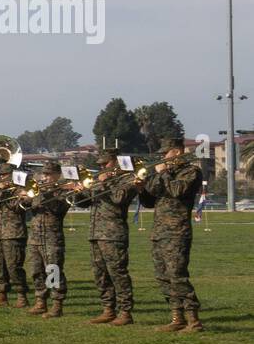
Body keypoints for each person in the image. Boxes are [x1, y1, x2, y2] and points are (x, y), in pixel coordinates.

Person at [136, 137, 204, 333]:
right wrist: (141, 189)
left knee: (177, 276)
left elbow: (177, 190)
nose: (162, 157)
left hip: (177, 232)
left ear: (176, 152)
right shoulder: (165, 172)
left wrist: (164, 172)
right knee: (163, 277)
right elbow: (150, 202)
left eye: (165, 153)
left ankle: (194, 319)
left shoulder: (191, 172)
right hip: (159, 232)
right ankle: (177, 317)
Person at [70, 145, 136, 326]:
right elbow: (83, 203)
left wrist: (104, 181)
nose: (102, 167)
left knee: (118, 273)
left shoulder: (128, 179)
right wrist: (78, 192)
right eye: (101, 164)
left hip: (114, 234)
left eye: (106, 163)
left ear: (116, 162)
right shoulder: (99, 181)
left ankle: (125, 311)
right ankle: (108, 309)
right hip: (95, 233)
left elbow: (119, 199)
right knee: (100, 274)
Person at [26, 162, 69, 318]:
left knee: (53, 271)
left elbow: (58, 209)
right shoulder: (39, 191)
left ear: (58, 175)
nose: (45, 177)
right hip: (35, 237)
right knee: (36, 271)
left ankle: (57, 304)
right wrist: (25, 195)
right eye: (44, 174)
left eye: (49, 174)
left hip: (52, 237)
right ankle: (40, 301)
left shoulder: (64, 191)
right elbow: (26, 206)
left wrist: (47, 193)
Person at [0, 171, 29, 308]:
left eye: (3, 175)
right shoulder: (0, 188)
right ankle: (1, 295)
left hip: (14, 233)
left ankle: (22, 296)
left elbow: (16, 207)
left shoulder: (21, 189)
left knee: (14, 266)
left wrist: (6, 191)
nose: (0, 177)